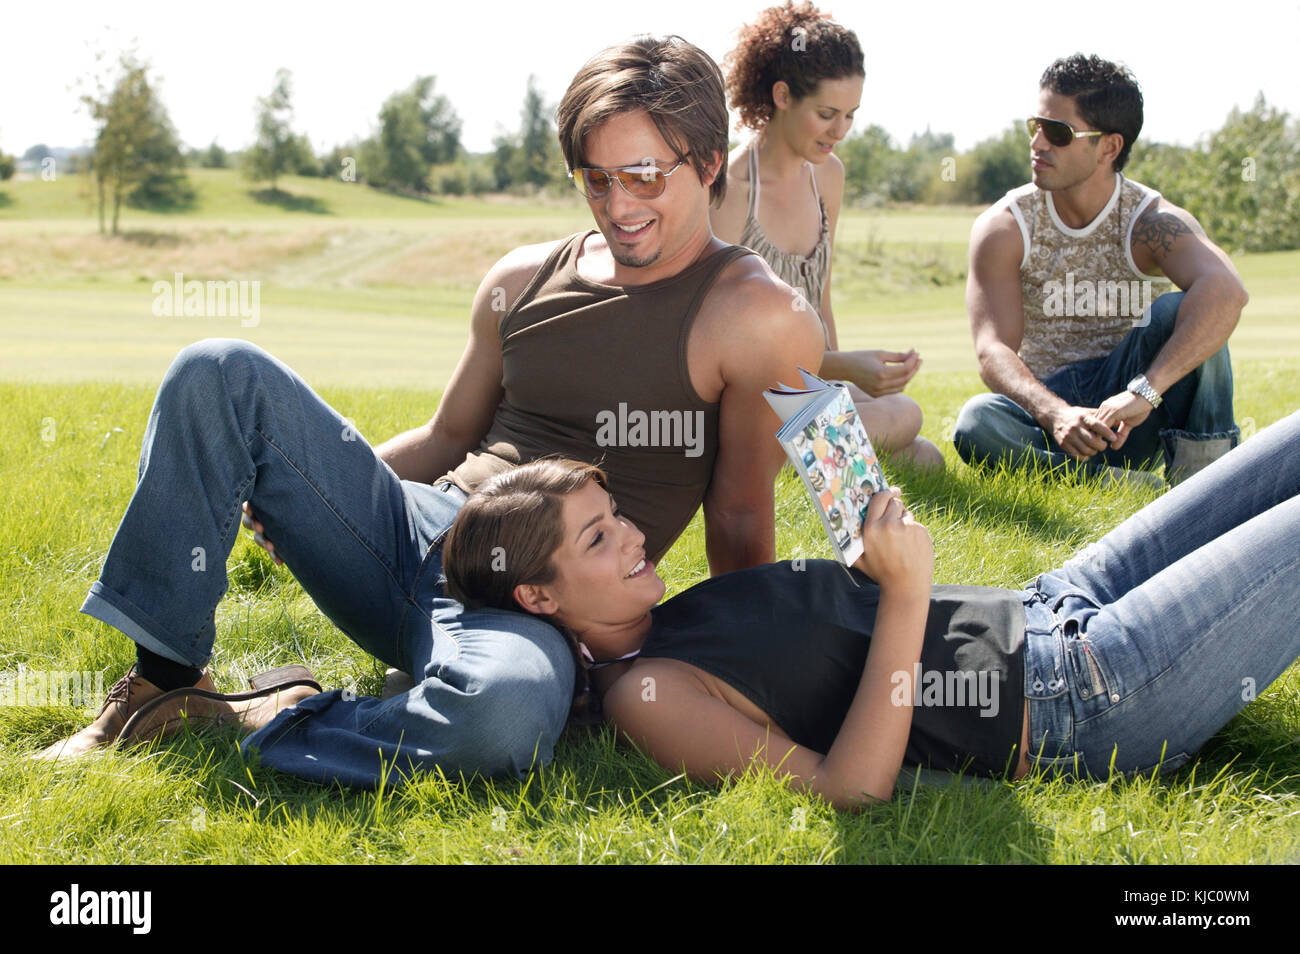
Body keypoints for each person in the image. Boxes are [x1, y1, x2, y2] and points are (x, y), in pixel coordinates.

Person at [32, 35, 825, 786]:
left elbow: (740, 510)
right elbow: (450, 434)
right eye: (596, 178)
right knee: (216, 369)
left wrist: (739, 674)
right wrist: (320, 496)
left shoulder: (758, 317)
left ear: (711, 162)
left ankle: (286, 717)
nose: (618, 205)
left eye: (645, 176)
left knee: (504, 715)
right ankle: (167, 687)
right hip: (414, 526)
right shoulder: (521, 277)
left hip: (532, 603)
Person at [443, 411, 1300, 810]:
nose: (632, 537)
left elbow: (819, 645)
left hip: (1049, 604)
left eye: (614, 515)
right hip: (1085, 693)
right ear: (538, 597)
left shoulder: (661, 619)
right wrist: (903, 591)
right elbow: (847, 789)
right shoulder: (643, 694)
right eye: (597, 540)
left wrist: (864, 553)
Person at [953, 54, 1247, 486]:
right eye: (1034, 126)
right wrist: (1056, 414)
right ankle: (1123, 486)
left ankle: (1208, 481)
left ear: (1109, 147)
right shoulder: (1004, 226)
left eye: (1057, 132)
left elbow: (1227, 293)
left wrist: (1143, 391)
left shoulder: (1151, 222)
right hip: (1052, 411)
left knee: (1185, 310)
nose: (1038, 143)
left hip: (1135, 408)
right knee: (978, 421)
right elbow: (993, 349)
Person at [710, 2, 943, 469]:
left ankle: (822, 461)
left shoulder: (827, 175)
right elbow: (720, 336)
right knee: (906, 414)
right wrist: (841, 366)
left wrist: (836, 375)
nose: (840, 131)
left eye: (851, 116)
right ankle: (790, 458)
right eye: (826, 114)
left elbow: (822, 297)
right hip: (749, 400)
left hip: (807, 388)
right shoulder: (734, 188)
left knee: (925, 457)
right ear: (781, 95)